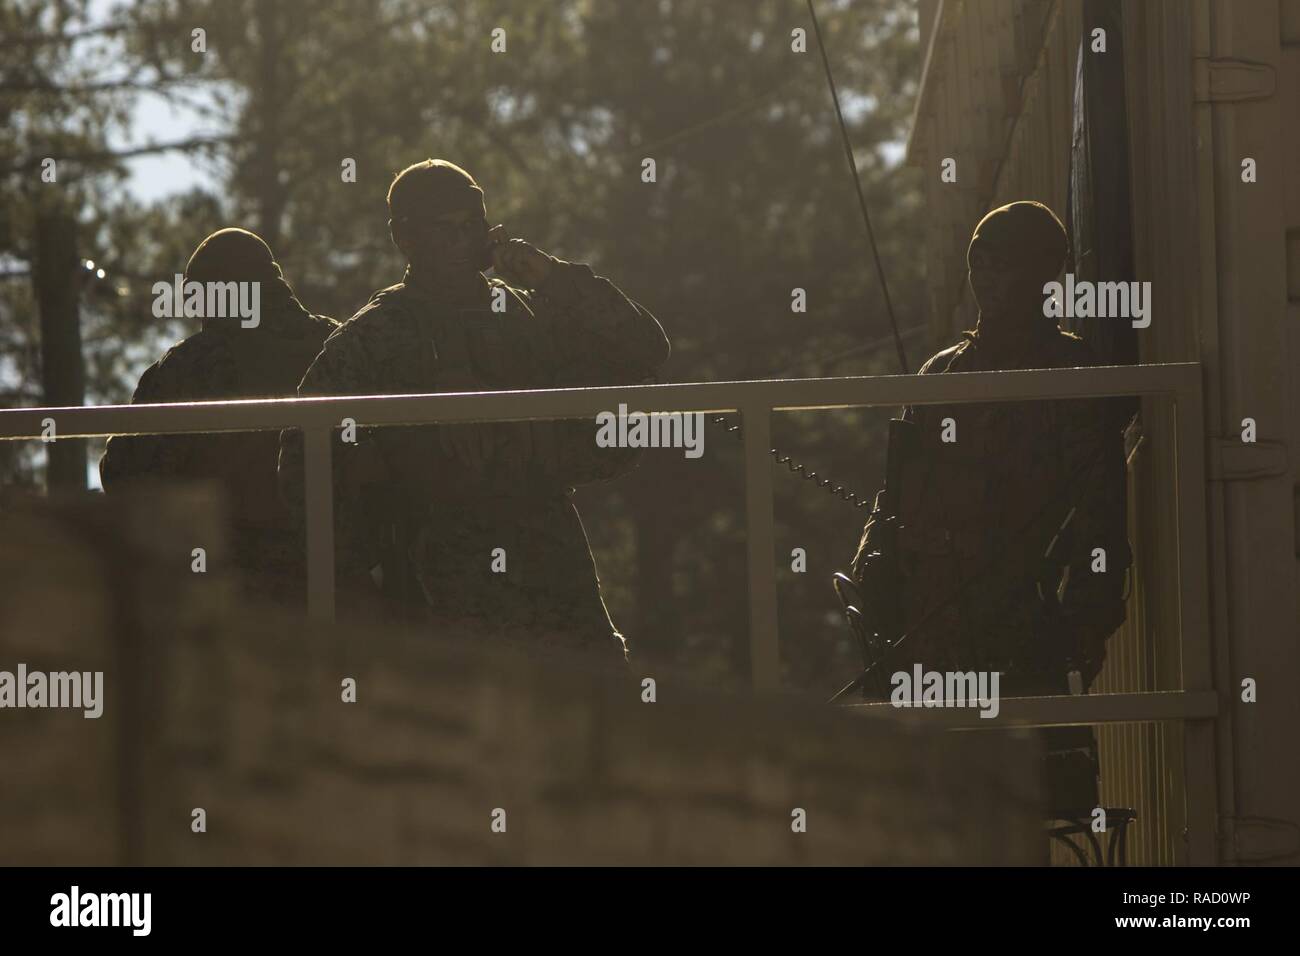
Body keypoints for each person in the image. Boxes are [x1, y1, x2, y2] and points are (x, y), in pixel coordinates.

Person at [281, 159, 669, 661]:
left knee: (592, 716)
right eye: (448, 228)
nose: (466, 240)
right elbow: (302, 457)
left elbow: (643, 348)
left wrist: (550, 276)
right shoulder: (373, 336)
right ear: (405, 238)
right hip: (439, 572)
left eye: (475, 225)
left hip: (550, 559)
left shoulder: (525, 312)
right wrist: (361, 574)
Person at [850, 200, 1131, 808]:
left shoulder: (1071, 373)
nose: (984, 272)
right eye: (978, 257)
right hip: (928, 637)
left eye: (1002, 260)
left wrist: (1088, 619)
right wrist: (873, 578)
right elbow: (892, 498)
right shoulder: (940, 373)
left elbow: (1100, 516)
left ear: (1044, 274)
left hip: (1018, 633)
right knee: (928, 813)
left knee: (1022, 810)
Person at [101, 228, 337, 605]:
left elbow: (125, 473)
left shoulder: (187, 367)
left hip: (231, 584)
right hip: (343, 582)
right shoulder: (336, 346)